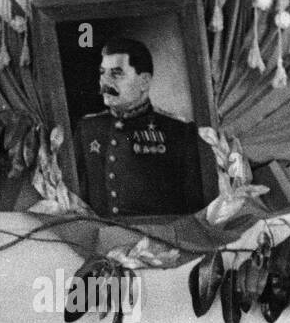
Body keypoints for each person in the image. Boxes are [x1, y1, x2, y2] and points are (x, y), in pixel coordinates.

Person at [72, 37, 209, 219]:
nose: (104, 82)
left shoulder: (180, 131)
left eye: (116, 74)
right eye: (102, 73)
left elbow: (195, 207)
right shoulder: (87, 129)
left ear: (144, 81)